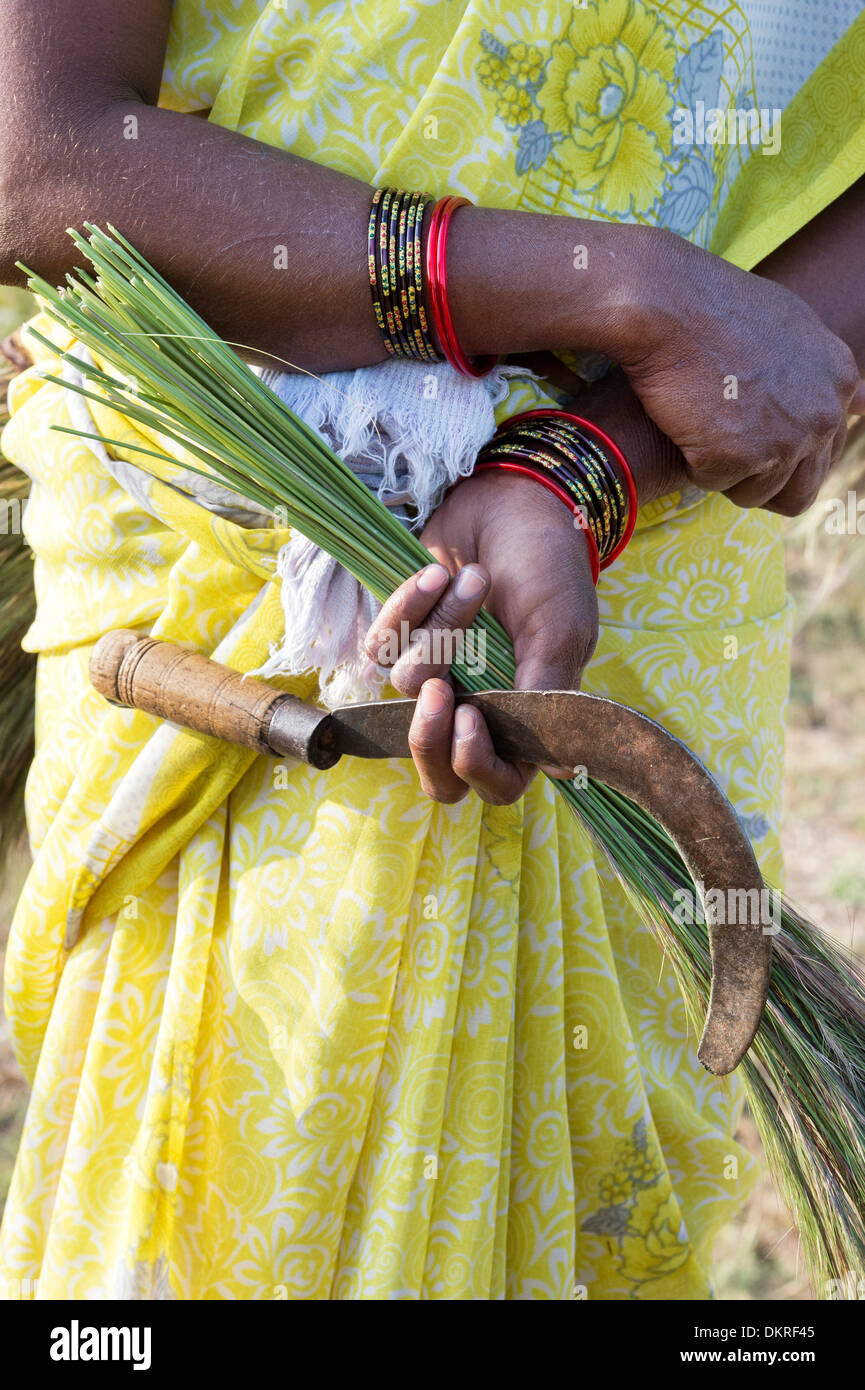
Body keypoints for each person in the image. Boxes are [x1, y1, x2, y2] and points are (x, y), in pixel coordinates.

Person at [0, 0, 863, 1300]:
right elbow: (45, 155)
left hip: (640, 561)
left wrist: (578, 469)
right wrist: (623, 289)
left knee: (594, 1183)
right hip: (227, 533)